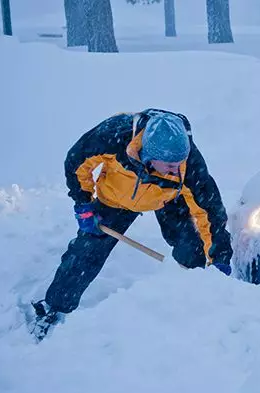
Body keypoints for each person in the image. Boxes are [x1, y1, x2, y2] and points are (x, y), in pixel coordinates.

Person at [31, 108, 233, 339]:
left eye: (180, 163)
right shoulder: (113, 135)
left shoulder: (189, 166)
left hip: (167, 199)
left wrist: (219, 258)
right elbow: (77, 162)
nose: (177, 169)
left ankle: (201, 299)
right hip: (115, 198)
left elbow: (210, 213)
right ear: (149, 154)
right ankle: (53, 307)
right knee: (86, 253)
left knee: (192, 248)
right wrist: (83, 204)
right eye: (169, 165)